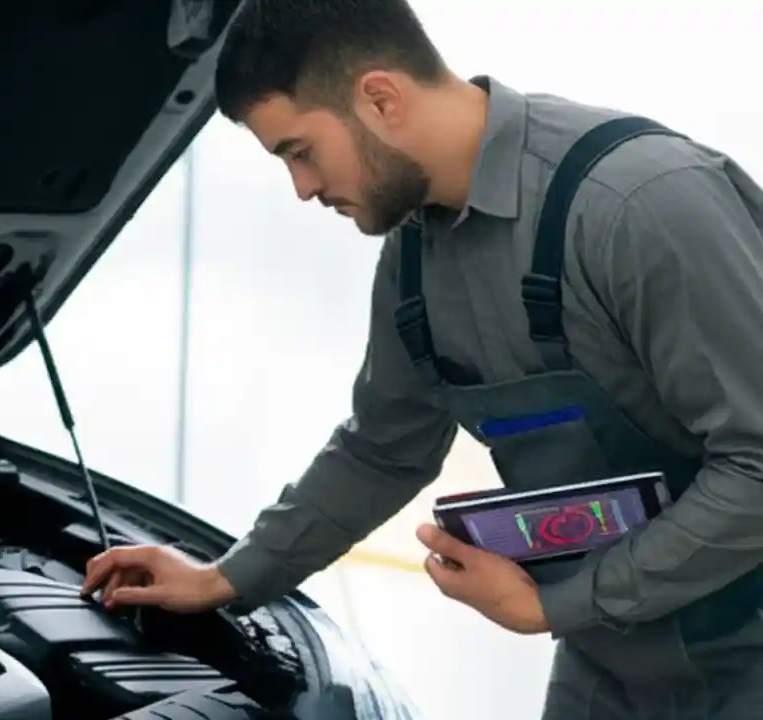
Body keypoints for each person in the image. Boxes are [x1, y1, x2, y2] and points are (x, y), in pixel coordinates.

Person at [79, 1, 763, 717]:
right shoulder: (414, 257)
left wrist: (557, 603)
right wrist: (225, 579)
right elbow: (382, 448)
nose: (303, 189)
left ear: (380, 98)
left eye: (300, 151)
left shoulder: (641, 204)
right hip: (610, 662)